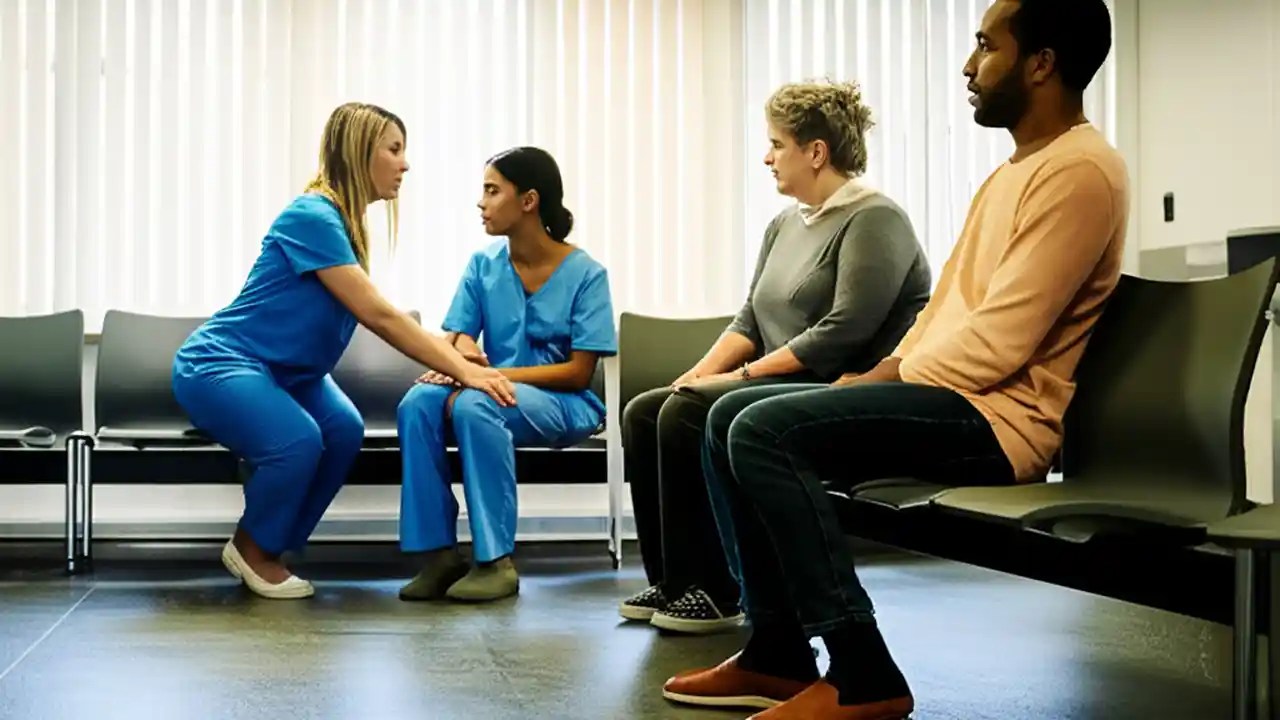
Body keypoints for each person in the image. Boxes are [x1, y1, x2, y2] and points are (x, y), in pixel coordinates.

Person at [662, 0, 1127, 717]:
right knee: (722, 415)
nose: (969, 66)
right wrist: (878, 374)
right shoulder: (1016, 171)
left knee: (761, 431)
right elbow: (943, 314)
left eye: (986, 46)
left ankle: (863, 671)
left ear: (1041, 64)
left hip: (1002, 421)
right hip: (957, 398)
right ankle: (778, 652)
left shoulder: (1081, 172)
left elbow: (1001, 343)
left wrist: (886, 376)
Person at [618, 80, 932, 634]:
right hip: (779, 379)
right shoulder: (785, 223)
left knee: (686, 414)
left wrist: (740, 375)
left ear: (816, 152)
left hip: (836, 387)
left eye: (777, 144)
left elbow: (842, 332)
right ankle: (676, 580)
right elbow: (749, 319)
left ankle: (718, 591)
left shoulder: (875, 219)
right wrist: (695, 375)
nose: (767, 157)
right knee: (648, 408)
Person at [172, 103, 516, 601]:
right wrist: (463, 369)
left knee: (343, 429)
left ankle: (272, 544)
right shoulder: (312, 215)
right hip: (222, 362)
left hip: (292, 373)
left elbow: (373, 313)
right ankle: (252, 547)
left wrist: (448, 351)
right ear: (360, 151)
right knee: (298, 441)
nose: (405, 164)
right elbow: (378, 315)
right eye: (394, 149)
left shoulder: (345, 223)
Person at [396, 147, 616, 603]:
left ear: (529, 200)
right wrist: (463, 353)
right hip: (493, 392)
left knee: (477, 403)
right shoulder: (483, 265)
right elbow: (458, 334)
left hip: (566, 403)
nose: (481, 203)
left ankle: (495, 561)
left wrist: (485, 375)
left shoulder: (588, 274)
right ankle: (438, 557)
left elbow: (579, 373)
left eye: (492, 191)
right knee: (416, 403)